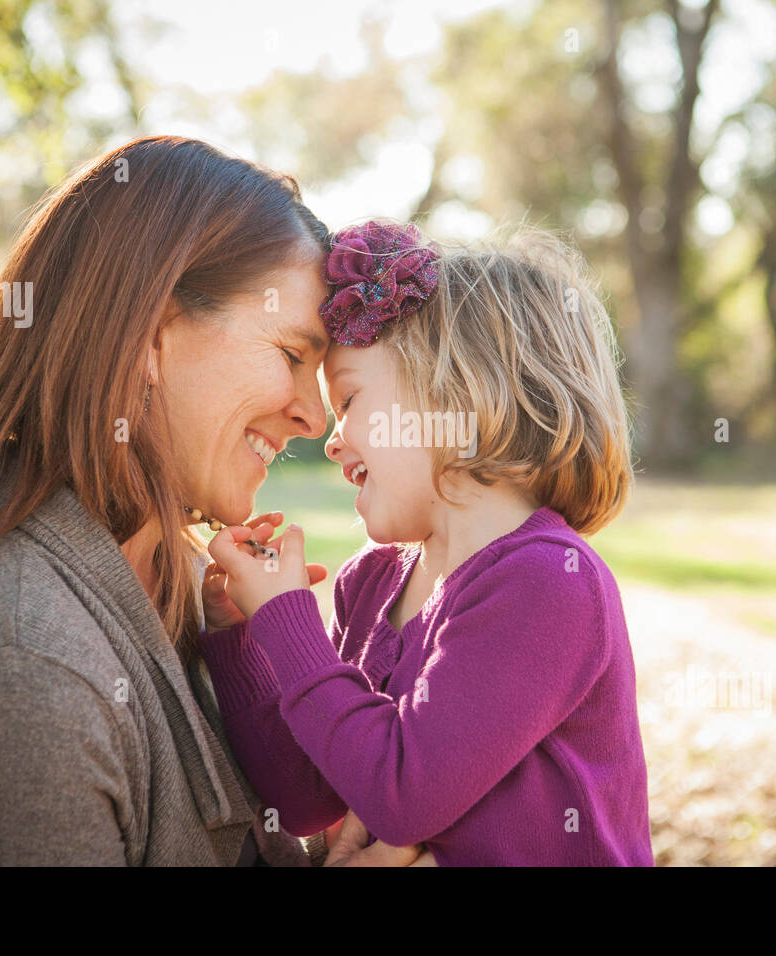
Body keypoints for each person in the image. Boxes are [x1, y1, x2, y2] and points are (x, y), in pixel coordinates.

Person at [0, 137, 428, 866]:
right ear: (149, 334)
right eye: (292, 356)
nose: (315, 416)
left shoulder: (185, 593)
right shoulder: (18, 659)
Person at [202, 220, 655, 865]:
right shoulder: (372, 583)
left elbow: (401, 796)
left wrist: (287, 617)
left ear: (457, 395)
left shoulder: (547, 580)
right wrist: (242, 638)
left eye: (351, 397)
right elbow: (305, 799)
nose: (331, 440)